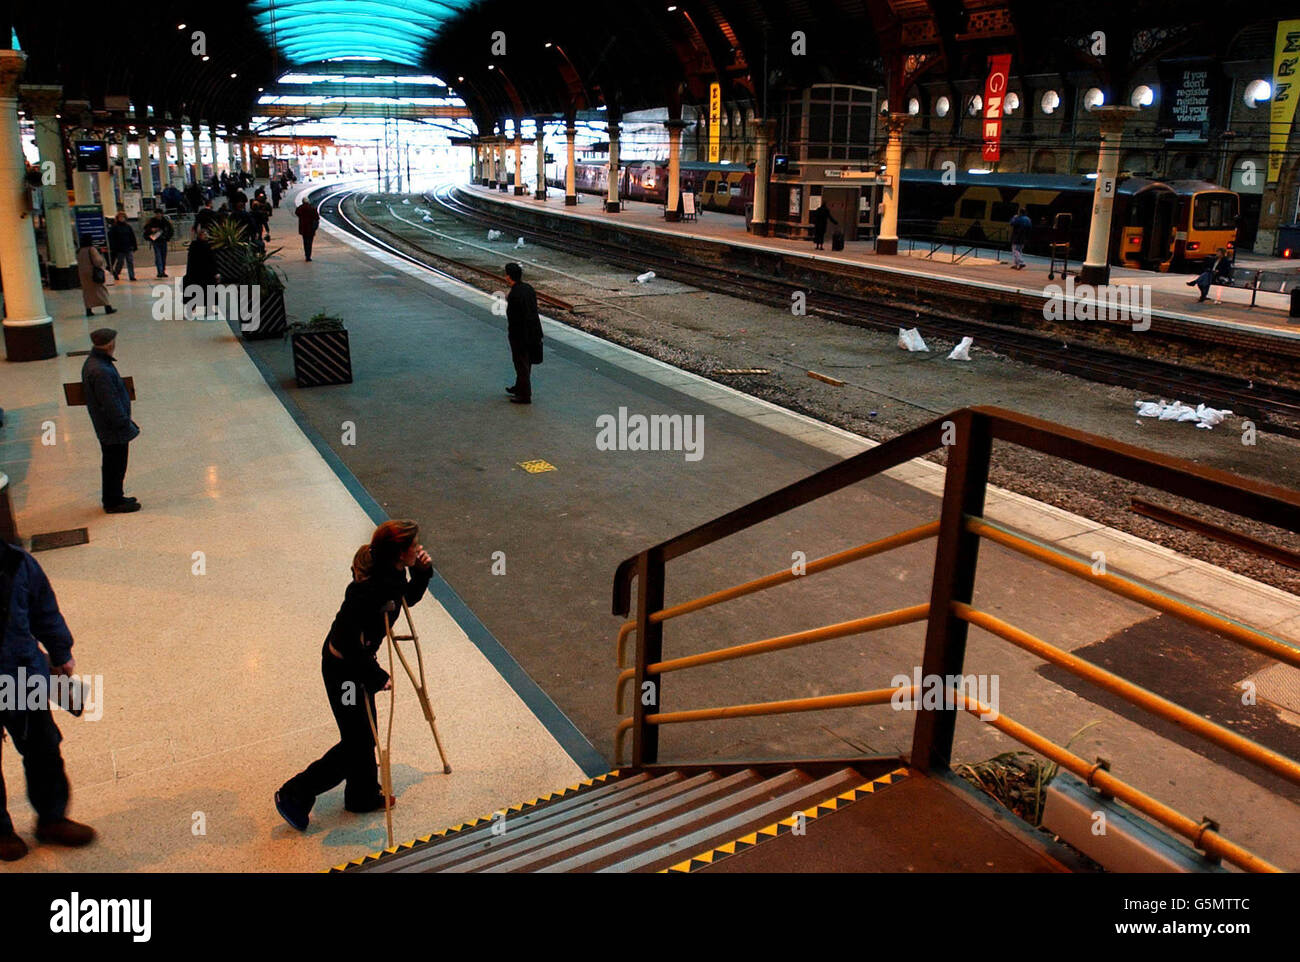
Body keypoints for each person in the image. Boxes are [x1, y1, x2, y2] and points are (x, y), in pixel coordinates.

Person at [275, 521, 434, 831]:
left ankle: (361, 795)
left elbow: (405, 599)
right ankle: (293, 793)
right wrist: (375, 675)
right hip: (344, 673)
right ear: (399, 552)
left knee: (365, 732)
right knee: (358, 743)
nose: (419, 548)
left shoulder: (393, 573)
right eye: (414, 545)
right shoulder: (366, 591)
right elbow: (347, 642)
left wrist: (422, 573)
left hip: (357, 664)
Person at [0, 540, 98, 861]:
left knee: (43, 749)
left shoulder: (16, 563)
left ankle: (52, 818)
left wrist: (60, 652)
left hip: (22, 676)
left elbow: (44, 608)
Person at [80, 329, 141, 514]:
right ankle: (113, 501)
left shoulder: (96, 363)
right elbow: (110, 402)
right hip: (113, 427)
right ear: (110, 345)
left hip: (109, 426)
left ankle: (116, 496)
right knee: (115, 464)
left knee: (114, 463)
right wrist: (124, 423)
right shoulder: (100, 370)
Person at [504, 262, 543, 404]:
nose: (505, 277)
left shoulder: (514, 294)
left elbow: (515, 318)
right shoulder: (528, 288)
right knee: (526, 363)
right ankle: (519, 387)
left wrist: (513, 336)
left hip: (521, 335)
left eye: (506, 275)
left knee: (521, 363)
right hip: (534, 332)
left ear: (509, 277)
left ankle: (525, 395)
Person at [182, 224, 221, 319]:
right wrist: (215, 273)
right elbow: (212, 261)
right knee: (208, 292)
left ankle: (191, 310)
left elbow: (190, 261)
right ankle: (208, 310)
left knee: (194, 292)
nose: (206, 236)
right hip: (206, 274)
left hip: (195, 274)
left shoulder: (194, 246)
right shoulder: (207, 246)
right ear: (201, 235)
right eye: (205, 234)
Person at [76, 235, 115, 318]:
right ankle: (107, 307)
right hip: (93, 273)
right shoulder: (91, 249)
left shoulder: (79, 251)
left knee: (87, 292)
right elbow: (98, 262)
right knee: (100, 290)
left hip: (83, 274)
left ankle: (89, 309)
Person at [106, 212, 137, 282]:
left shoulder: (128, 227)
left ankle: (132, 276)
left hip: (128, 247)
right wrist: (113, 247)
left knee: (130, 261)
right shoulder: (115, 227)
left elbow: (132, 237)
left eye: (123, 217)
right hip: (119, 248)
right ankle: (116, 272)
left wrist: (134, 246)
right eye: (120, 217)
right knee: (120, 262)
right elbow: (111, 238)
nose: (122, 219)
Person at [142, 209, 174, 278]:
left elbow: (170, 230)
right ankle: (160, 271)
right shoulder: (152, 221)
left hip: (163, 240)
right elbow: (146, 229)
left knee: (163, 257)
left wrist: (167, 237)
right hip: (156, 241)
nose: (158, 215)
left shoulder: (165, 221)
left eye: (159, 213)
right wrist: (152, 230)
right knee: (158, 256)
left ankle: (162, 271)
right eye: (157, 214)